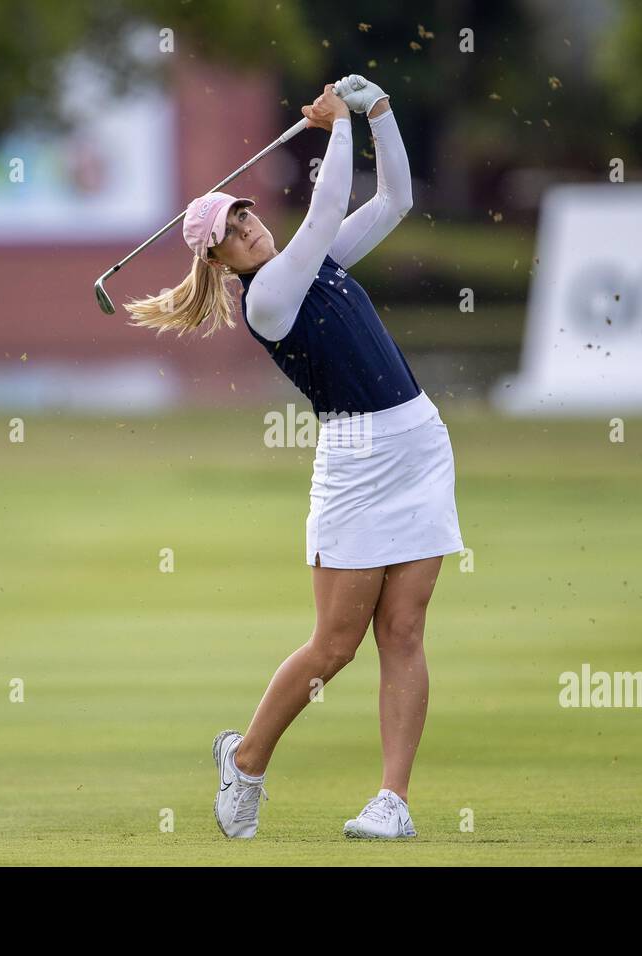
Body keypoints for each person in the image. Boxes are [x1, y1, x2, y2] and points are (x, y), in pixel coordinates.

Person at [124, 77, 464, 840]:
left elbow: (396, 201)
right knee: (336, 645)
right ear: (218, 261)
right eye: (228, 232)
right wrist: (339, 125)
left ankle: (393, 803)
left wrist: (380, 110)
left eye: (242, 213)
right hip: (355, 462)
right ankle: (244, 761)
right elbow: (319, 216)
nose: (244, 227)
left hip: (419, 441)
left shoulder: (316, 263)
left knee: (404, 632)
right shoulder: (268, 297)